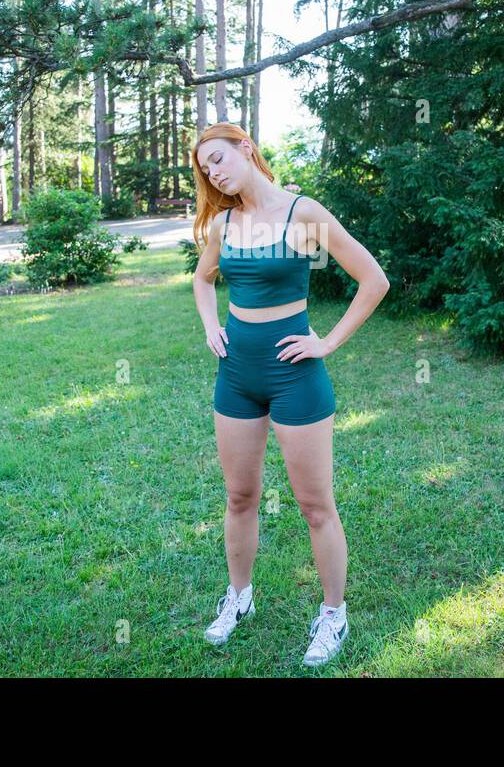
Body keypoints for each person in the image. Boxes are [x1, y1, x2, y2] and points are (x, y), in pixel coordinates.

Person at [189, 122, 389, 667]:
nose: (214, 172)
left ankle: (333, 614)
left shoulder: (303, 213)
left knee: (315, 504)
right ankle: (239, 598)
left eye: (218, 159)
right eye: (206, 168)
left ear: (246, 149)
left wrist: (326, 342)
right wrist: (211, 325)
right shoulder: (223, 224)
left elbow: (373, 279)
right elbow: (203, 281)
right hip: (236, 375)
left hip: (294, 373)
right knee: (239, 497)